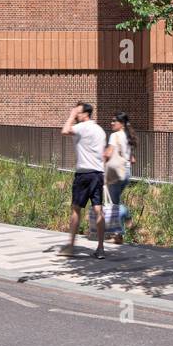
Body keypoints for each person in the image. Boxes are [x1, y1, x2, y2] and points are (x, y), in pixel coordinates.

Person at [60, 102, 108, 259]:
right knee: (98, 210)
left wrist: (71, 116)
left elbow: (65, 130)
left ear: (85, 114)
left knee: (76, 209)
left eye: (79, 112)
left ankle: (71, 246)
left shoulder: (82, 127)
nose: (76, 115)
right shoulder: (100, 130)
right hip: (98, 173)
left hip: (84, 174)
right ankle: (100, 248)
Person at [104, 112, 135, 245]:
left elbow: (108, 153)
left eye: (114, 121)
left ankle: (119, 234)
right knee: (115, 201)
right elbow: (132, 159)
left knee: (114, 205)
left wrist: (101, 163)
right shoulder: (128, 136)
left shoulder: (114, 135)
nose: (111, 123)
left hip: (116, 174)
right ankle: (121, 227)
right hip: (127, 172)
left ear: (121, 124)